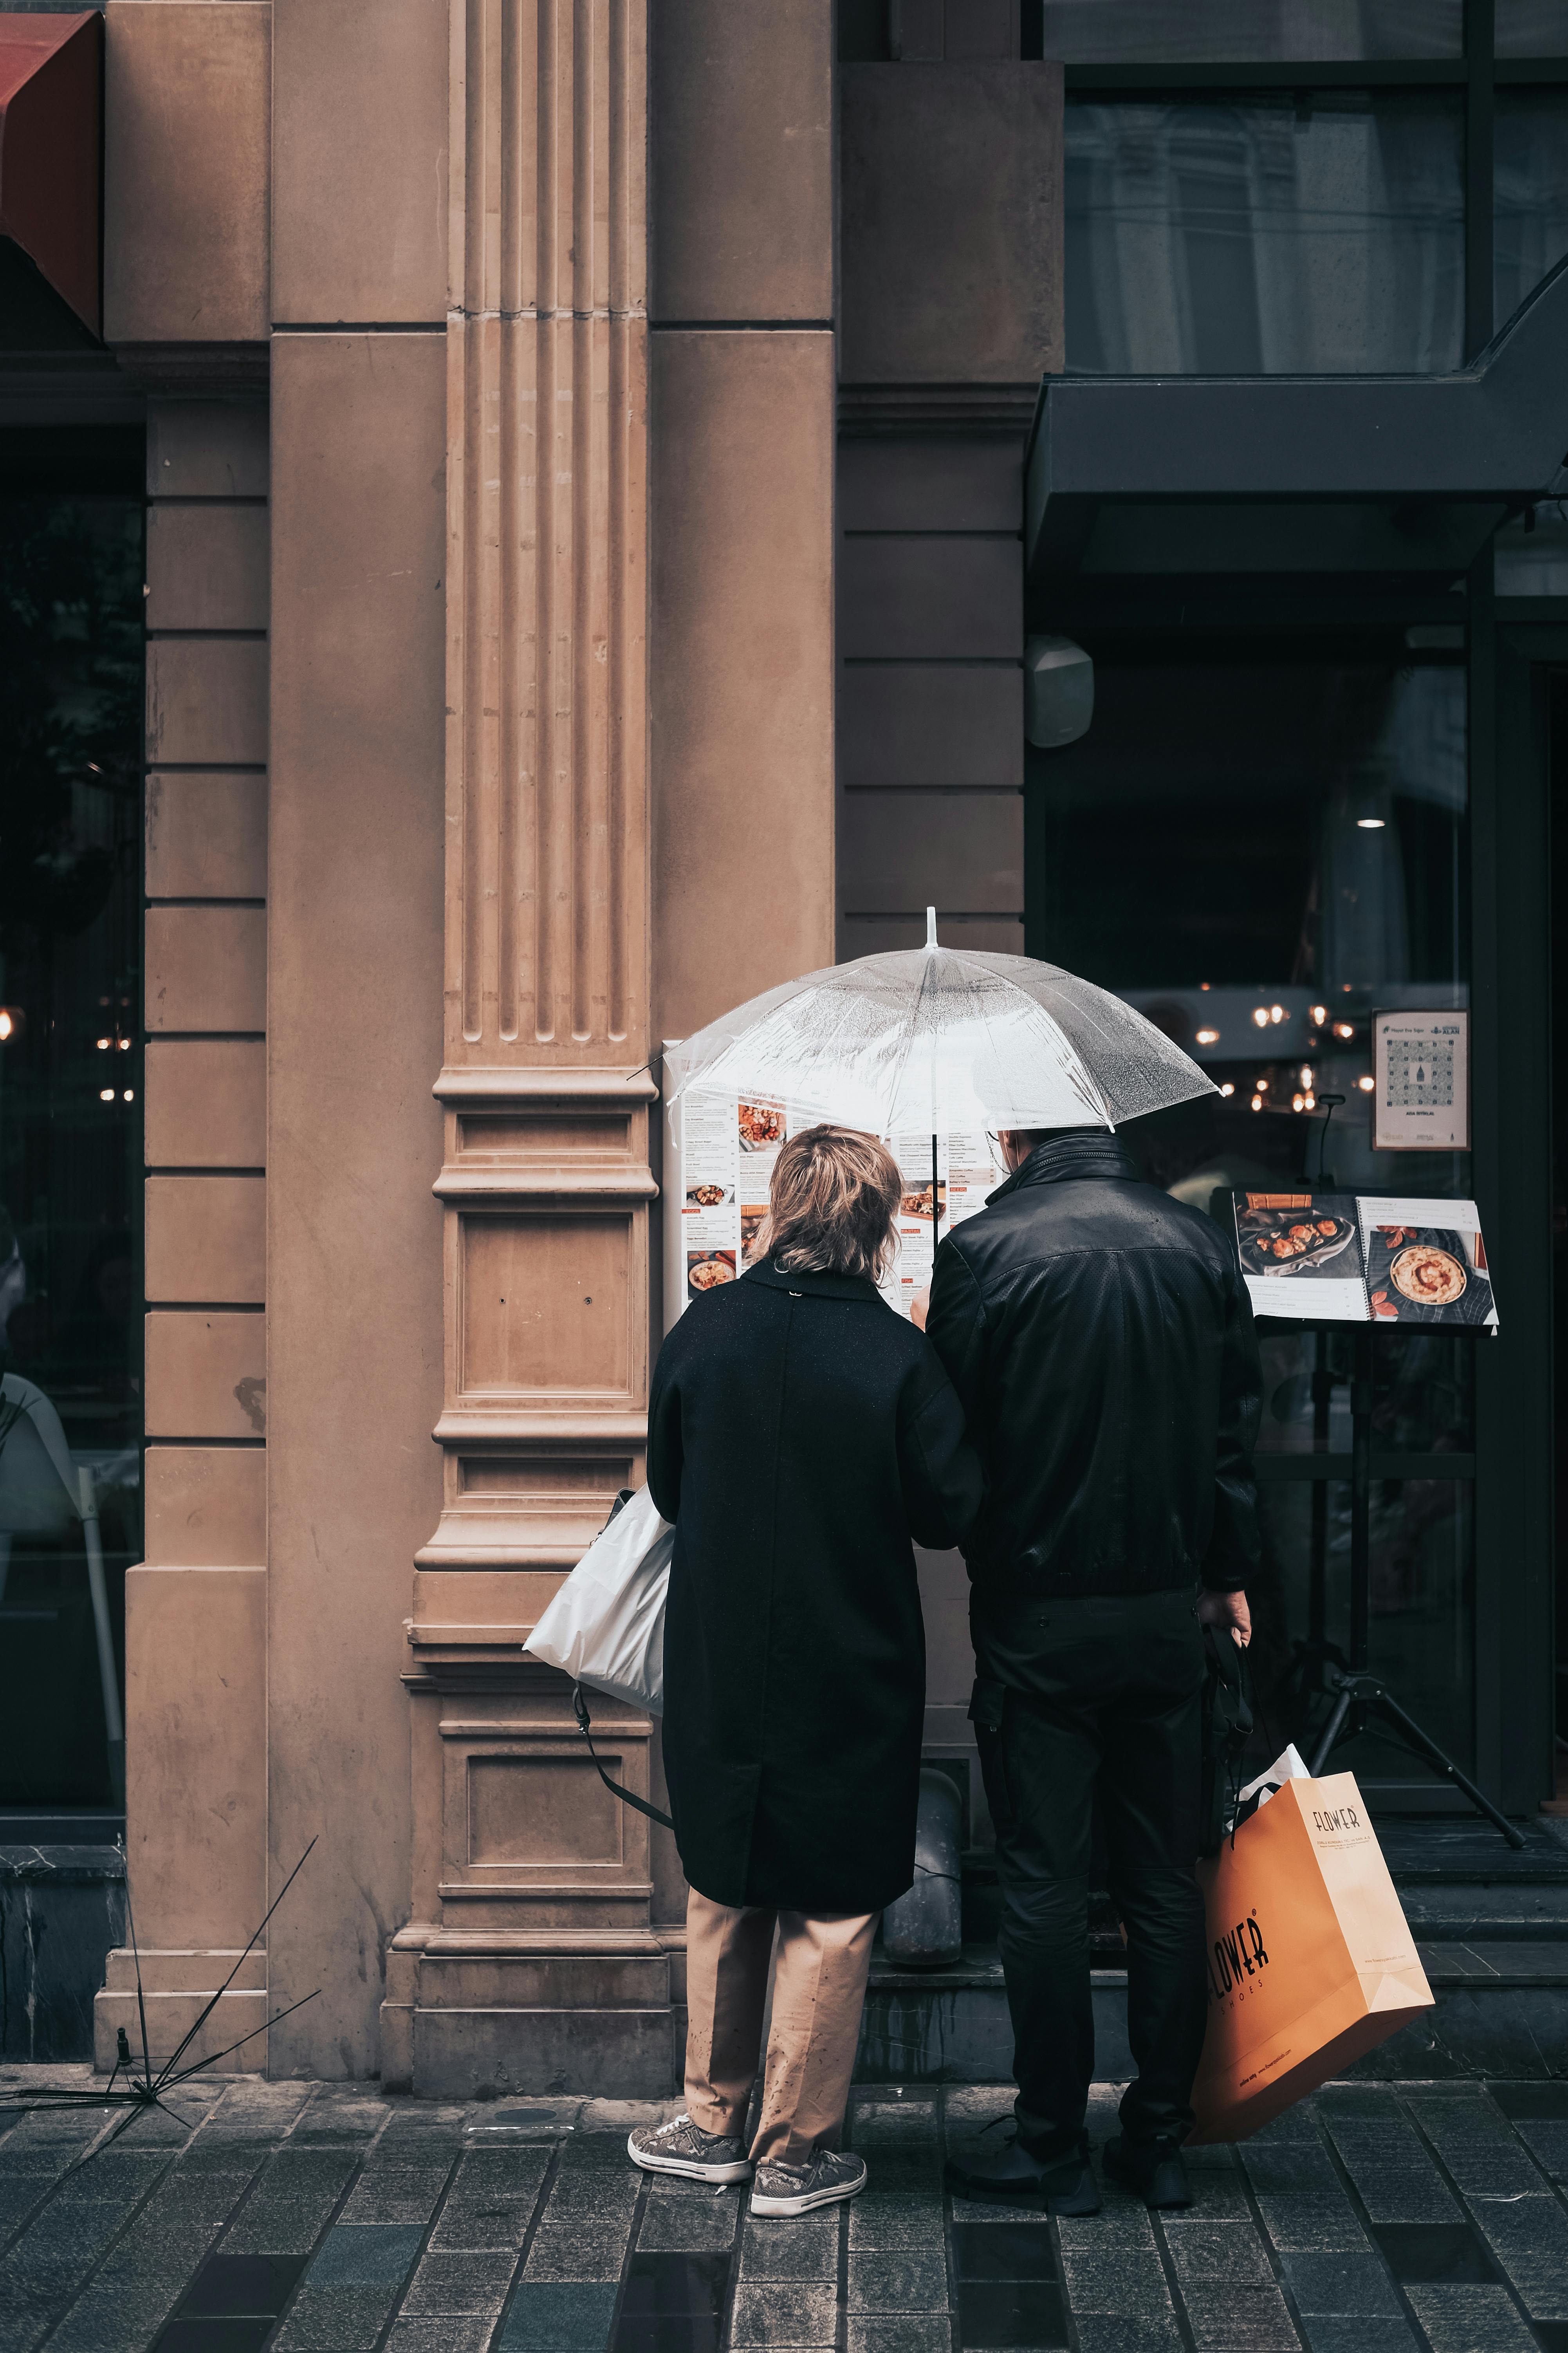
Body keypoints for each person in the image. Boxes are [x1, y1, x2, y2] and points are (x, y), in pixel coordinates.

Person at [628, 1124, 983, 2218]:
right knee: (832, 1902)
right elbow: (948, 1514)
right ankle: (794, 2151)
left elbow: (671, 1489)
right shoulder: (897, 1355)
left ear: (780, 1206)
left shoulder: (706, 1329)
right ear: (877, 1226)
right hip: (853, 1657)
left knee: (726, 1876)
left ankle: (707, 2119)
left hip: (721, 1654)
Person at [917, 1123, 1260, 2216]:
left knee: (1045, 1883)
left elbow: (950, 1439)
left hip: (1036, 1615)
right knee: (1165, 1881)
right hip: (1165, 1611)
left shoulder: (983, 1249)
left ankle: (1052, 2142)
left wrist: (976, 1531)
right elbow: (1229, 1437)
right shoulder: (1199, 1245)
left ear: (1022, 1137)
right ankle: (1160, 2139)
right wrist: (1225, 1571)